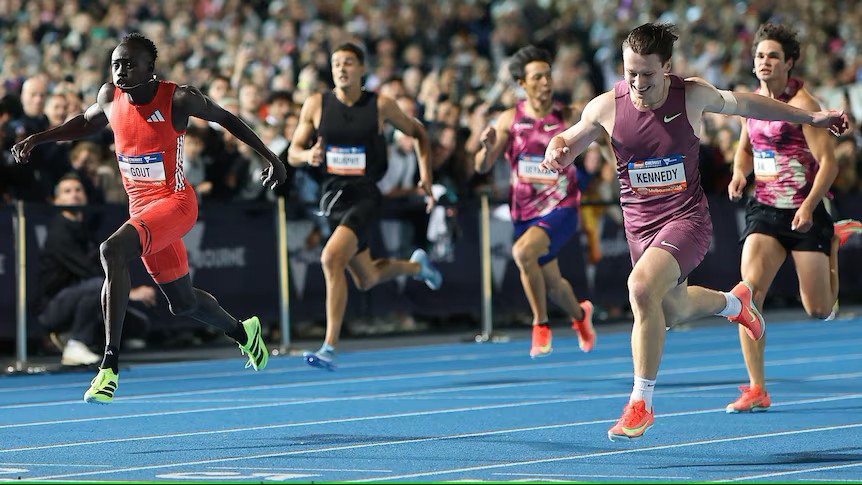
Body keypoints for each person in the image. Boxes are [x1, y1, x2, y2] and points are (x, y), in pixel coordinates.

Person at [539, 23, 848, 441]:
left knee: (641, 288)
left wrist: (810, 116)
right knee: (672, 310)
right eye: (630, 72)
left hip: (687, 220)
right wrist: (556, 149)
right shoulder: (606, 107)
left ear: (666, 68)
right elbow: (571, 139)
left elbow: (751, 107)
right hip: (639, 228)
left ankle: (640, 403)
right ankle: (733, 303)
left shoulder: (693, 93)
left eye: (647, 74)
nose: (637, 82)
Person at [12, 33, 287, 403]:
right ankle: (243, 331)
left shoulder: (179, 98)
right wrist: (38, 138)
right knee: (183, 303)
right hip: (142, 210)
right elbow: (84, 123)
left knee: (112, 249)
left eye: (128, 64)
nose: (120, 71)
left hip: (175, 203)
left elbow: (226, 118)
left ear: (149, 68)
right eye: (115, 64)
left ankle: (109, 365)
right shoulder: (110, 96)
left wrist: (270, 156)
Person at [726, 23, 862, 414]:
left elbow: (830, 165)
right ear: (753, 65)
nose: (765, 62)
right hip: (766, 211)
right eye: (760, 56)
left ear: (789, 63)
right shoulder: (750, 103)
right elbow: (745, 149)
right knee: (746, 295)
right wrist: (739, 174)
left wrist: (808, 206)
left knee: (819, 310)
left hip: (806, 213)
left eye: (773, 56)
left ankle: (833, 240)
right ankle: (757, 387)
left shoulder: (805, 104)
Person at [287, 42, 441, 371]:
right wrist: (307, 155)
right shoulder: (316, 104)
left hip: (366, 195)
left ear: (361, 69)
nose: (341, 68)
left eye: (348, 63)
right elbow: (292, 152)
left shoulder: (380, 104)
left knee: (330, 258)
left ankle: (329, 346)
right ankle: (416, 267)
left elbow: (420, 134)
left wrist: (425, 177)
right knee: (367, 277)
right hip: (332, 198)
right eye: (336, 63)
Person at [474, 45, 595, 359]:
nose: (545, 82)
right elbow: (482, 167)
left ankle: (540, 325)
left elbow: (605, 141)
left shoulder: (567, 116)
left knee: (522, 252)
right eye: (537, 77)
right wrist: (487, 149)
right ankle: (581, 316)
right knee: (554, 284)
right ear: (522, 83)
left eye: (547, 75)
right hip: (525, 213)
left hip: (562, 207)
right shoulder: (509, 119)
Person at [39, 174, 157, 366]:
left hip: (86, 302)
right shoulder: (58, 233)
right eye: (67, 192)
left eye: (78, 190)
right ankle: (76, 343)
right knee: (98, 285)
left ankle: (78, 338)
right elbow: (88, 272)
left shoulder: (84, 228)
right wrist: (130, 293)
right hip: (55, 308)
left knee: (138, 323)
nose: (75, 195)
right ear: (57, 201)